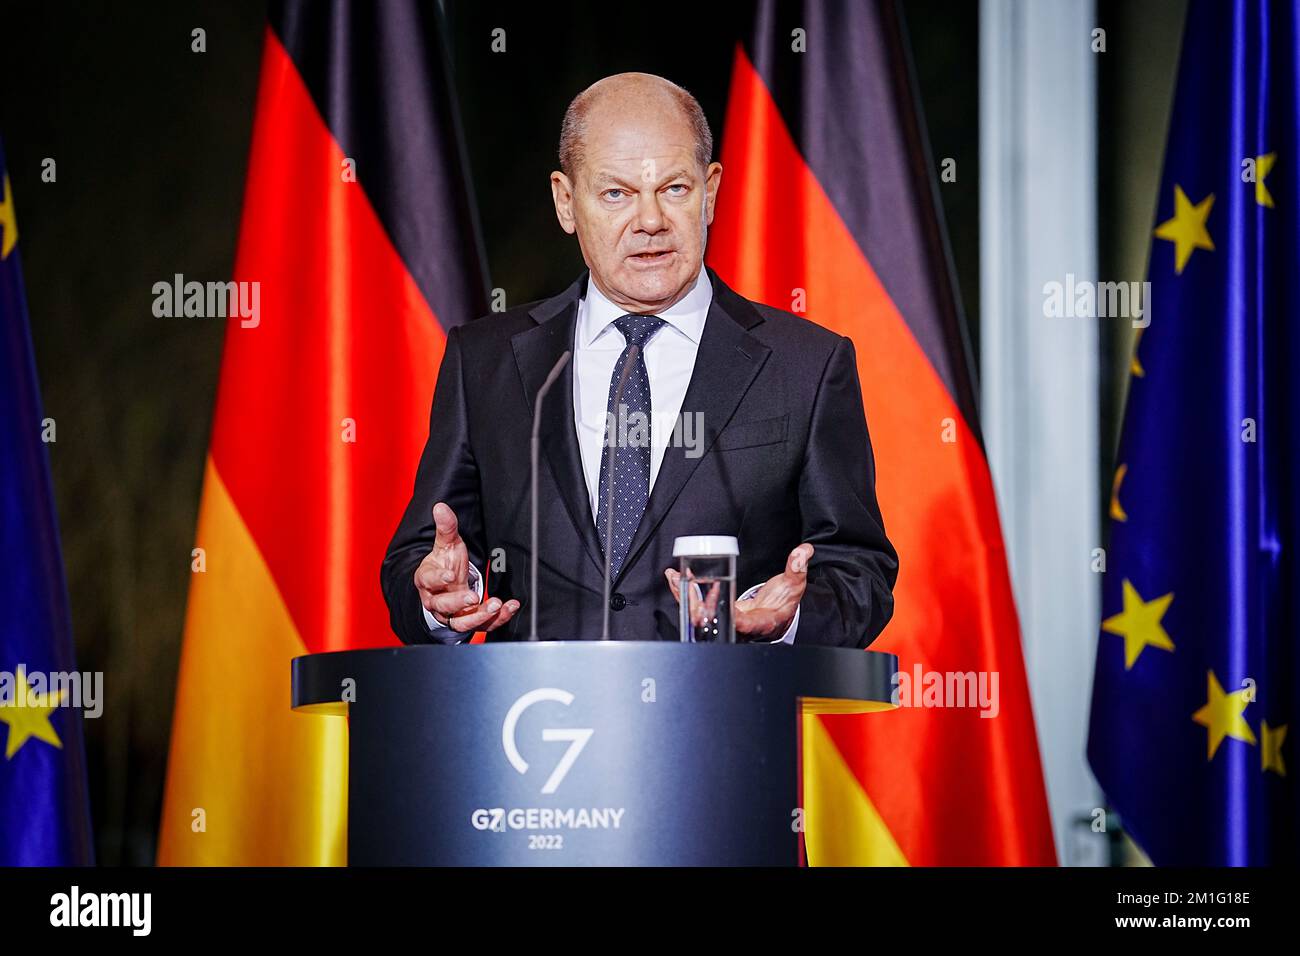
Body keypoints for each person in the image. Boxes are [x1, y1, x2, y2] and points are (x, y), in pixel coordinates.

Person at [381, 72, 897, 646]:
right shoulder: (486, 361)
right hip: (531, 724)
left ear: (711, 190)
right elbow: (421, 561)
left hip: (723, 722)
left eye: (674, 188)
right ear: (565, 201)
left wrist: (776, 618)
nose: (650, 221)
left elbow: (860, 573)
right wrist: (442, 597)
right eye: (616, 193)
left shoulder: (807, 364)